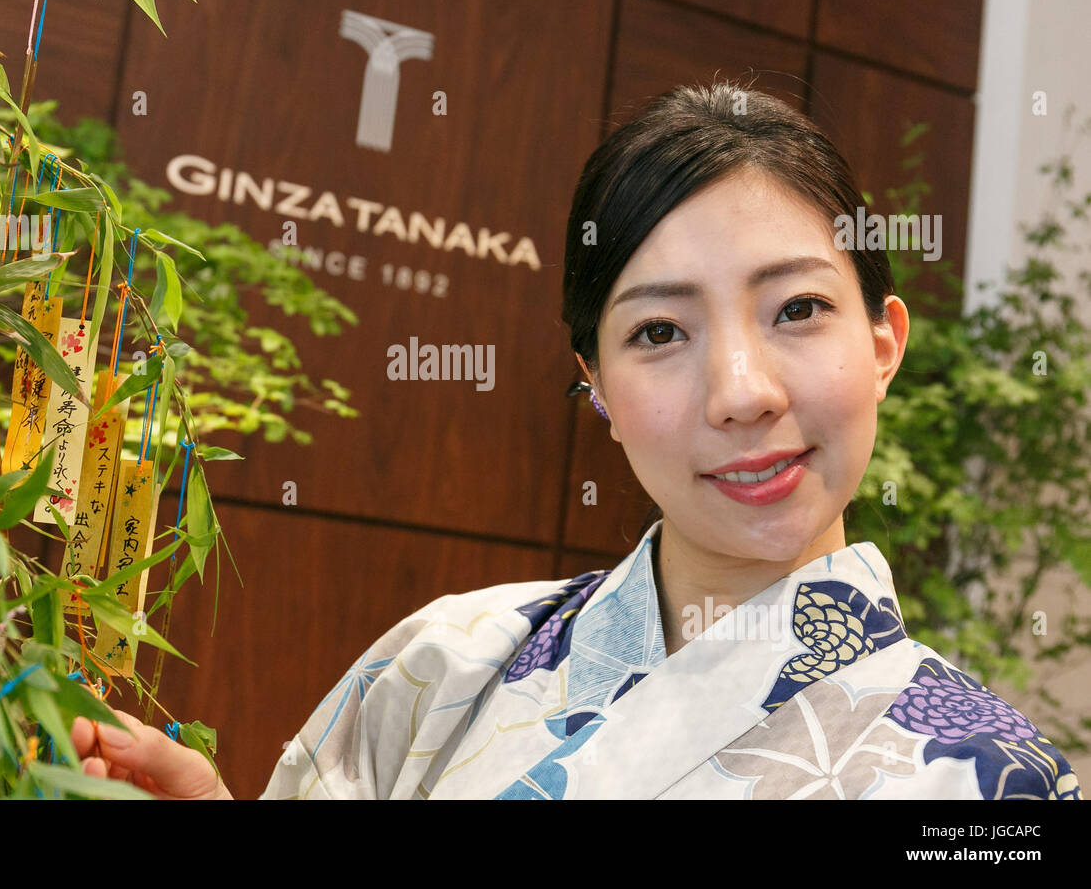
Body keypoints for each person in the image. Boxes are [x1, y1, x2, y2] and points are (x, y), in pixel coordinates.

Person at [71, 81, 1083, 800]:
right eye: (658, 332)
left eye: (797, 308)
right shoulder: (442, 664)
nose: (740, 391)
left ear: (881, 342)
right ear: (595, 385)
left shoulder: (992, 781)